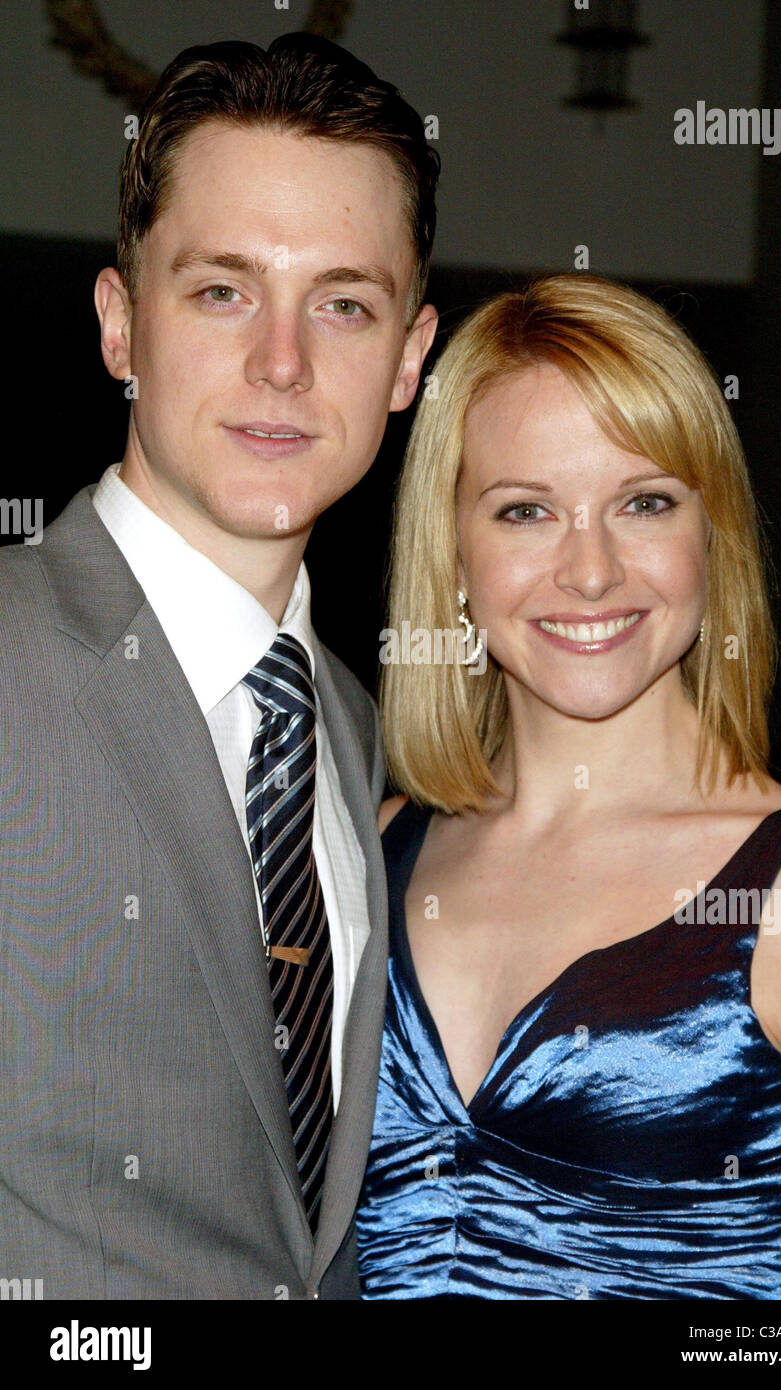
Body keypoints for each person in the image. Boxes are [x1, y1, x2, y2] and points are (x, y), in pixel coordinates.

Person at [0, 33, 438, 1299]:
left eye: (342, 303)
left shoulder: (357, 738)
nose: (283, 363)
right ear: (119, 323)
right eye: (223, 290)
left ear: (408, 360)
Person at [356, 274, 781, 1299]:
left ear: (709, 534)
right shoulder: (369, 850)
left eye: (642, 502)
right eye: (525, 510)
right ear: (452, 554)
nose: (588, 571)